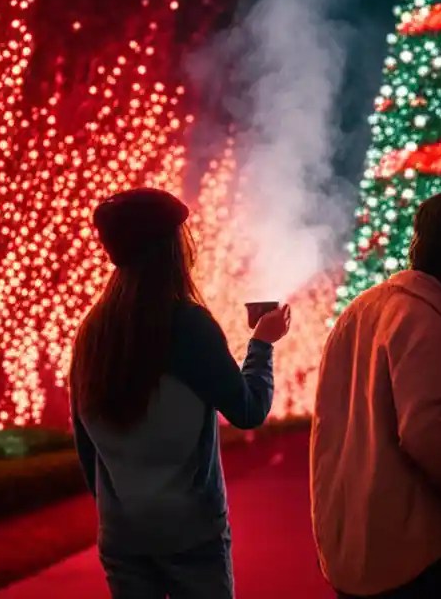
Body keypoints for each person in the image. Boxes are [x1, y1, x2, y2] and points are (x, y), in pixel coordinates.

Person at [70, 187, 292, 599]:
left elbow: (86, 444)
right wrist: (261, 345)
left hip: (122, 536)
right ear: (172, 249)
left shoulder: (93, 331)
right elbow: (247, 409)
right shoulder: (188, 325)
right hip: (191, 533)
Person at [310, 189, 441, 598]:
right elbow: (425, 433)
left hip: (353, 535)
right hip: (411, 550)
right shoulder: (427, 319)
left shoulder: (366, 307)